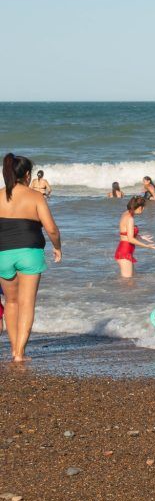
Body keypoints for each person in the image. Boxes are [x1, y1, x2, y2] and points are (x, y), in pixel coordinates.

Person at [0, 154, 62, 362]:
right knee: (27, 303)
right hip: (30, 253)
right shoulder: (35, 197)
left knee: (11, 302)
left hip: (3, 254)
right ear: (27, 175)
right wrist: (57, 247)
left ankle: (12, 349)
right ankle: (19, 353)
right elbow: (51, 229)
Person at [115, 196, 155, 278]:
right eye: (143, 207)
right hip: (125, 252)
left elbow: (126, 233)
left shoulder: (126, 213)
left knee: (131, 280)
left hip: (125, 251)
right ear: (139, 207)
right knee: (127, 282)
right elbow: (130, 239)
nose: (143, 209)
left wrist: (141, 237)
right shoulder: (130, 218)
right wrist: (147, 246)